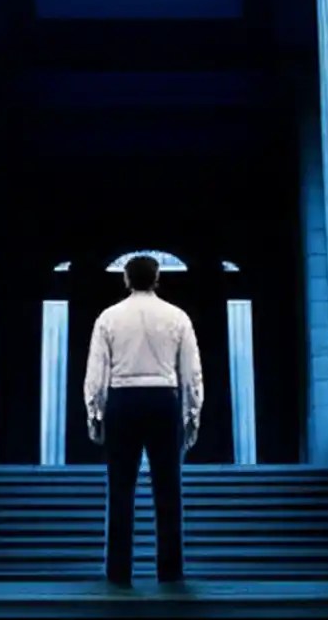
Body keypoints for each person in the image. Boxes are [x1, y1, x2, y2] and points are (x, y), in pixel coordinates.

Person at [83, 253, 204, 590]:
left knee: (120, 489)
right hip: (164, 400)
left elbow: (96, 372)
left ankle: (118, 571)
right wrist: (191, 415)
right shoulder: (177, 317)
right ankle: (170, 570)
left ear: (126, 279)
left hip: (123, 400)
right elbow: (191, 374)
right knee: (168, 489)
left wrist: (95, 414)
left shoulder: (108, 318)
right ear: (157, 279)